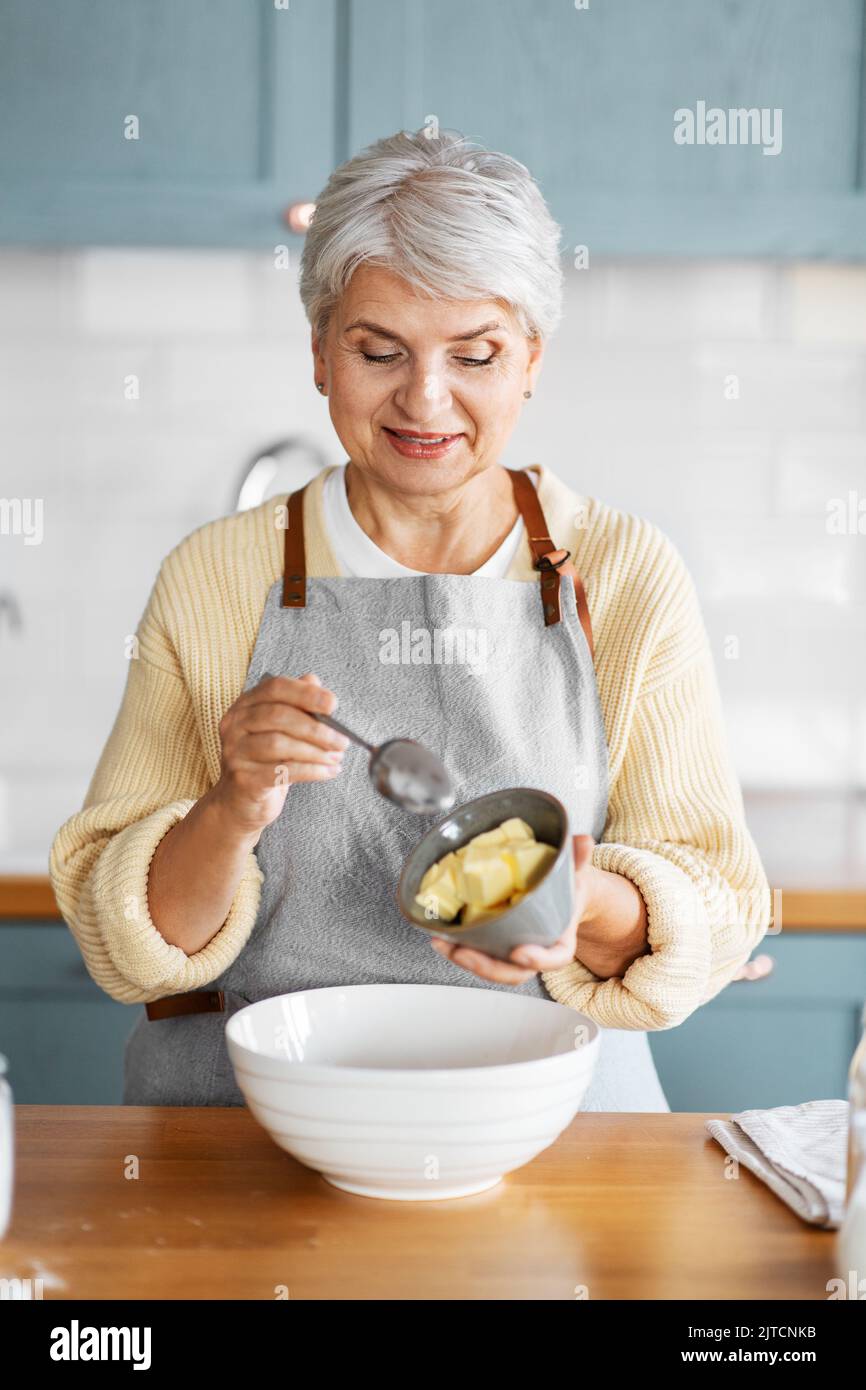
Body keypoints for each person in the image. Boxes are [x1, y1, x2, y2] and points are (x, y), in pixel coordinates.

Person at [49, 129, 771, 1109]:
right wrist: (230, 806)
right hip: (255, 1125)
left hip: (554, 1129)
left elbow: (715, 897)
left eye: (474, 354)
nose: (424, 399)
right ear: (318, 353)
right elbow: (134, 945)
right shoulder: (218, 576)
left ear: (529, 361)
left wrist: (572, 907)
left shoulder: (623, 573)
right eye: (377, 350)